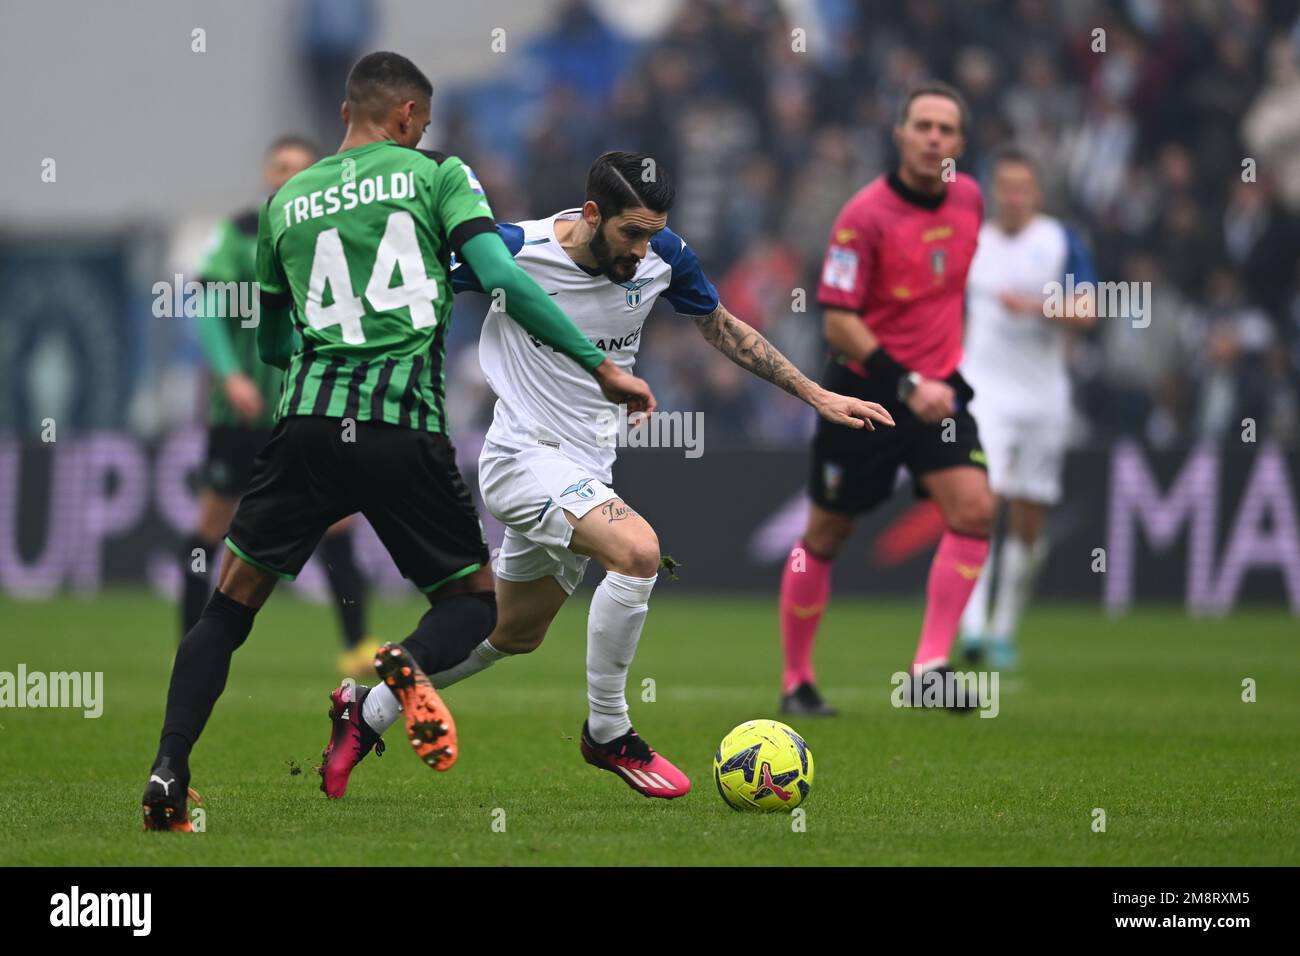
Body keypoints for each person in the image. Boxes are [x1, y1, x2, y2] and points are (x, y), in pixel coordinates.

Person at [142, 52, 654, 830]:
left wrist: (319, 357)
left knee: (228, 609)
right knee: (472, 607)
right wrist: (598, 366)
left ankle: (168, 774)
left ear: (347, 112)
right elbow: (503, 277)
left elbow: (275, 342)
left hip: (307, 424)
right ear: (409, 117)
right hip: (401, 428)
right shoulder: (436, 173)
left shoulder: (287, 199)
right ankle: (402, 666)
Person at [320, 151, 892, 800]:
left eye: (653, 233)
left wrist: (815, 394)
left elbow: (720, 326)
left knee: (510, 635)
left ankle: (363, 713)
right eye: (631, 233)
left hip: (587, 465)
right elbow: (409, 286)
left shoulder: (663, 256)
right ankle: (609, 732)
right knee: (639, 551)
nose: (643, 249)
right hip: (520, 456)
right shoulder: (515, 250)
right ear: (592, 214)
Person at [777, 82, 993, 716]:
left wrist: (943, 370)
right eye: (922, 126)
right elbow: (838, 320)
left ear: (960, 142)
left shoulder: (972, 200)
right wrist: (906, 383)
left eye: (946, 130)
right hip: (866, 392)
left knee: (975, 509)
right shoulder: (863, 216)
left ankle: (930, 668)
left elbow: (947, 293)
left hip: (940, 393)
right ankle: (797, 680)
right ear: (899, 134)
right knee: (825, 532)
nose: (933, 139)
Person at [184, 135, 378, 678]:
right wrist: (231, 377)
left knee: (336, 524)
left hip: (308, 409)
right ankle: (190, 640)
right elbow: (207, 312)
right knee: (211, 529)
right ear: (268, 173)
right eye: (281, 166)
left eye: (300, 167)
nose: (288, 175)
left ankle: (356, 645)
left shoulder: (333, 237)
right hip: (240, 415)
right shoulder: (239, 234)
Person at [959, 148, 1097, 668]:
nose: (1013, 196)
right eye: (1006, 186)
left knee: (1029, 517)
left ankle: (1004, 628)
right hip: (983, 393)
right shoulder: (973, 241)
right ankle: (971, 628)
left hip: (1043, 396)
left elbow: (1089, 310)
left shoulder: (1060, 241)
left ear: (1035, 194)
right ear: (996, 190)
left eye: (1023, 188)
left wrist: (1037, 307)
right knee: (978, 503)